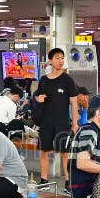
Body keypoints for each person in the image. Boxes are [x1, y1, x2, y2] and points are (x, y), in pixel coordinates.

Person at [34, 48, 79, 190]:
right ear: (50, 61)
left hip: (63, 122)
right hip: (46, 122)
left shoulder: (67, 80)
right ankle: (43, 181)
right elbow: (37, 97)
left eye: (62, 58)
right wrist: (38, 98)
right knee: (44, 152)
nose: (61, 61)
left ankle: (68, 183)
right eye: (58, 58)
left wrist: (75, 123)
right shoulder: (44, 80)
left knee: (65, 153)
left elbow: (74, 103)